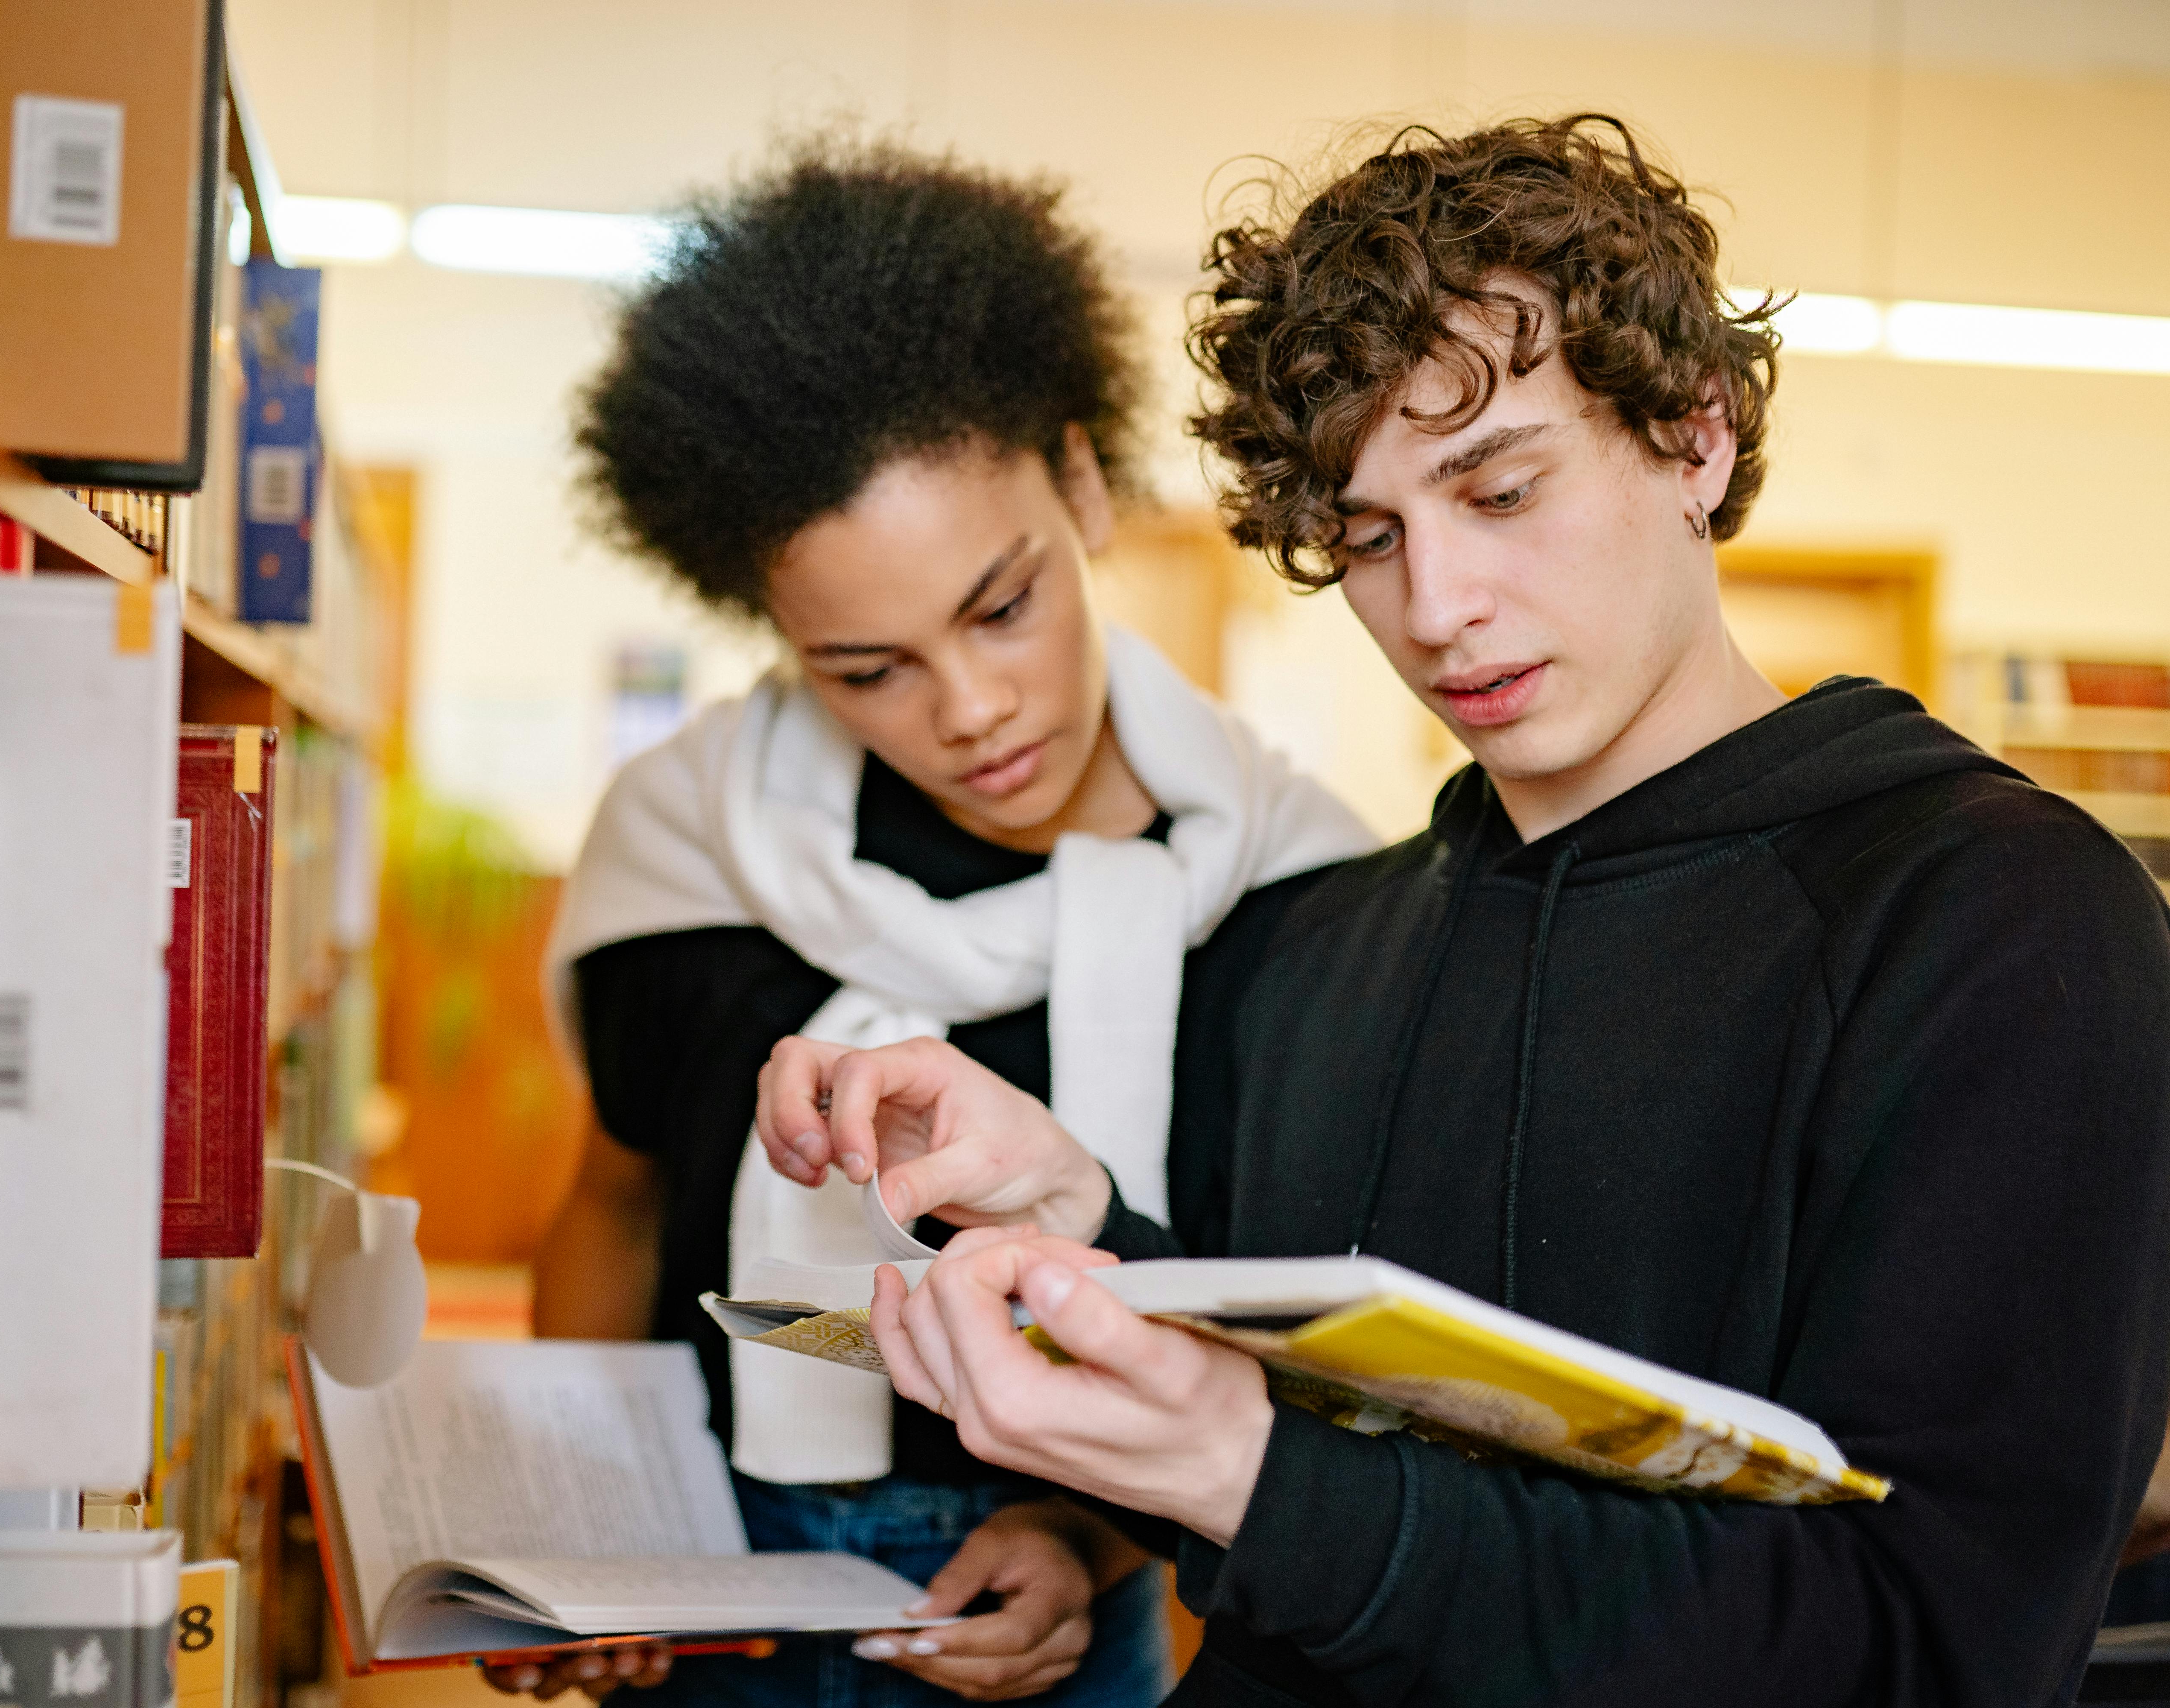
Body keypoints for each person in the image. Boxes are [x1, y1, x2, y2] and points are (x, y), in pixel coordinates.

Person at [755, 115, 2170, 1705]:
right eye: (1370, 540)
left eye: (1500, 492)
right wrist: (1072, 1222)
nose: (1436, 609)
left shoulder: (2004, 922)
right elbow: (1338, 1436)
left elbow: (1933, 1648)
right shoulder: (1321, 943)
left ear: (1695, 436)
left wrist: (1248, 1474)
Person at [500, 140, 1377, 1705]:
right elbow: (618, 1208)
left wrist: (1089, 1538)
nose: (971, 712)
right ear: (776, 629)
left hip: (1047, 1609)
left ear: (1086, 481)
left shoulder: (1302, 898)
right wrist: (581, 1526)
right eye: (866, 668)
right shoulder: (679, 850)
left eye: (1002, 606)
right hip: (702, 1604)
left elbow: (1276, 1345)